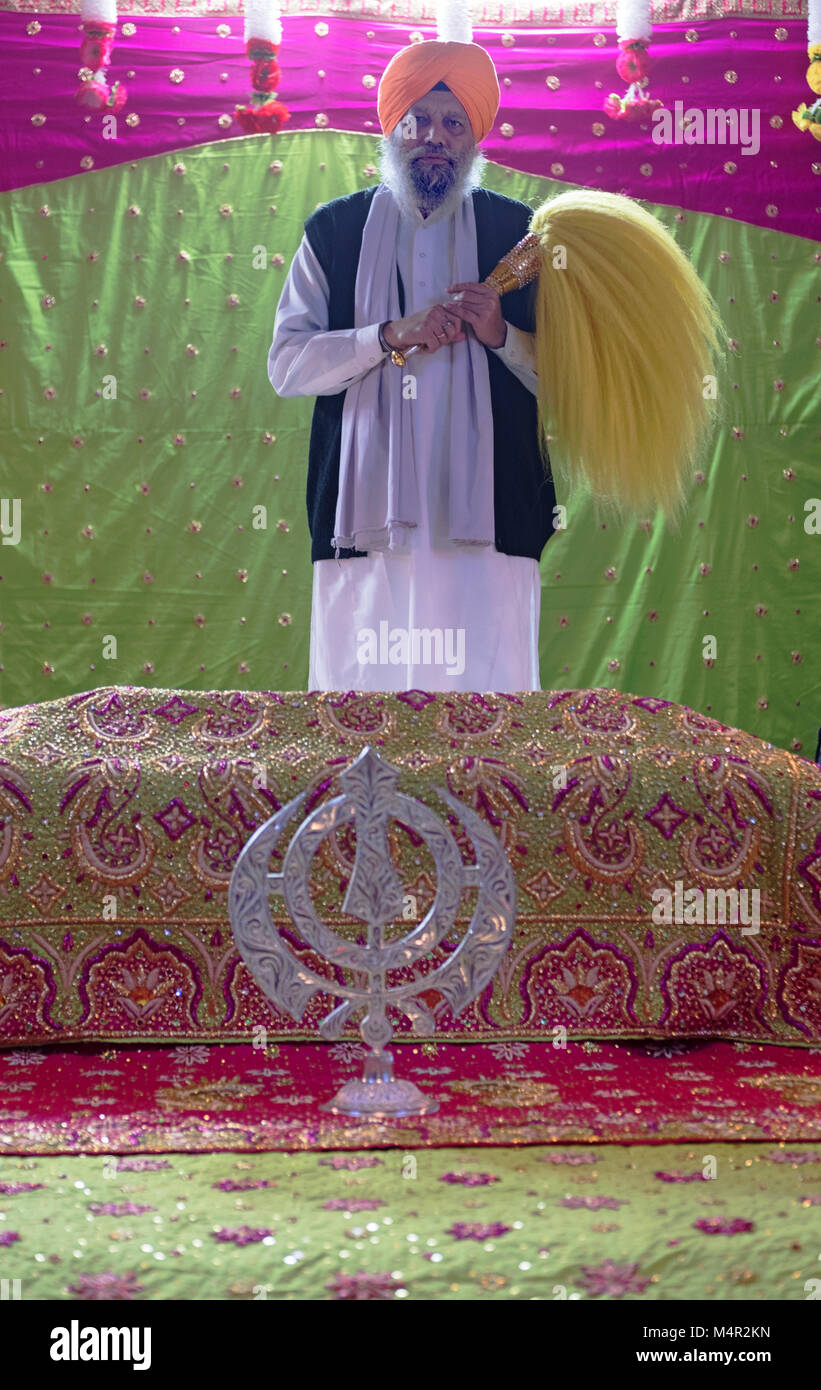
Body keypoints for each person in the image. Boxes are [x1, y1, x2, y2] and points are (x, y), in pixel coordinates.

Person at [269, 40, 557, 693]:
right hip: (364, 531)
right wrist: (385, 335)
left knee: (488, 721)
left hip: (488, 529)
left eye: (453, 122)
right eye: (417, 119)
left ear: (474, 137)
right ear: (391, 126)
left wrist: (497, 333)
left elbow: (563, 382)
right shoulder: (333, 230)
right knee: (361, 713)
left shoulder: (520, 235)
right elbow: (286, 365)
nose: (434, 137)